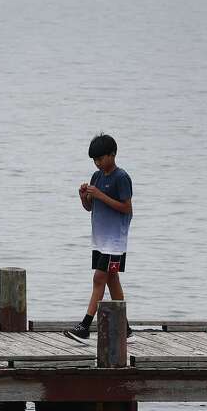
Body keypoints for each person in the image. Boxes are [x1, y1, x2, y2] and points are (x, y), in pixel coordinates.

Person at [64, 134, 134, 343]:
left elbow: (127, 208)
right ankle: (125, 329)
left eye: (100, 159)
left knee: (99, 279)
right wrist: (83, 197)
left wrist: (101, 195)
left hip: (114, 242)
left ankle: (85, 326)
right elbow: (90, 207)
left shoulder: (121, 177)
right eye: (94, 160)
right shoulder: (96, 177)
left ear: (112, 154)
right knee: (112, 279)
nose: (97, 163)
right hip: (99, 240)